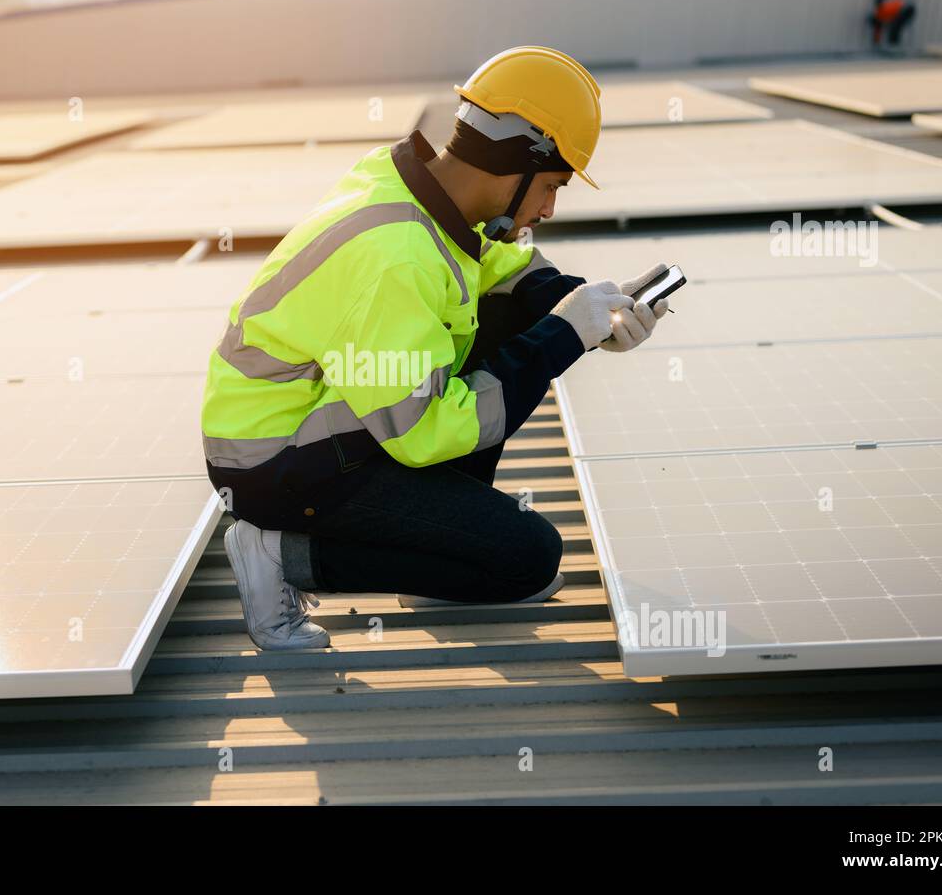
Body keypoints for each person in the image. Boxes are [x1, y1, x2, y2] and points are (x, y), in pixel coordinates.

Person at [200, 46, 669, 650]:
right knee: (527, 558)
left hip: (316, 420)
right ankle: (282, 553)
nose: (550, 209)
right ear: (516, 159)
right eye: (551, 186)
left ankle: (434, 556)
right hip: (274, 461)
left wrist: (592, 308)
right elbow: (424, 431)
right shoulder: (395, 256)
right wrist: (564, 335)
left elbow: (504, 267)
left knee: (500, 313)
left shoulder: (419, 192)